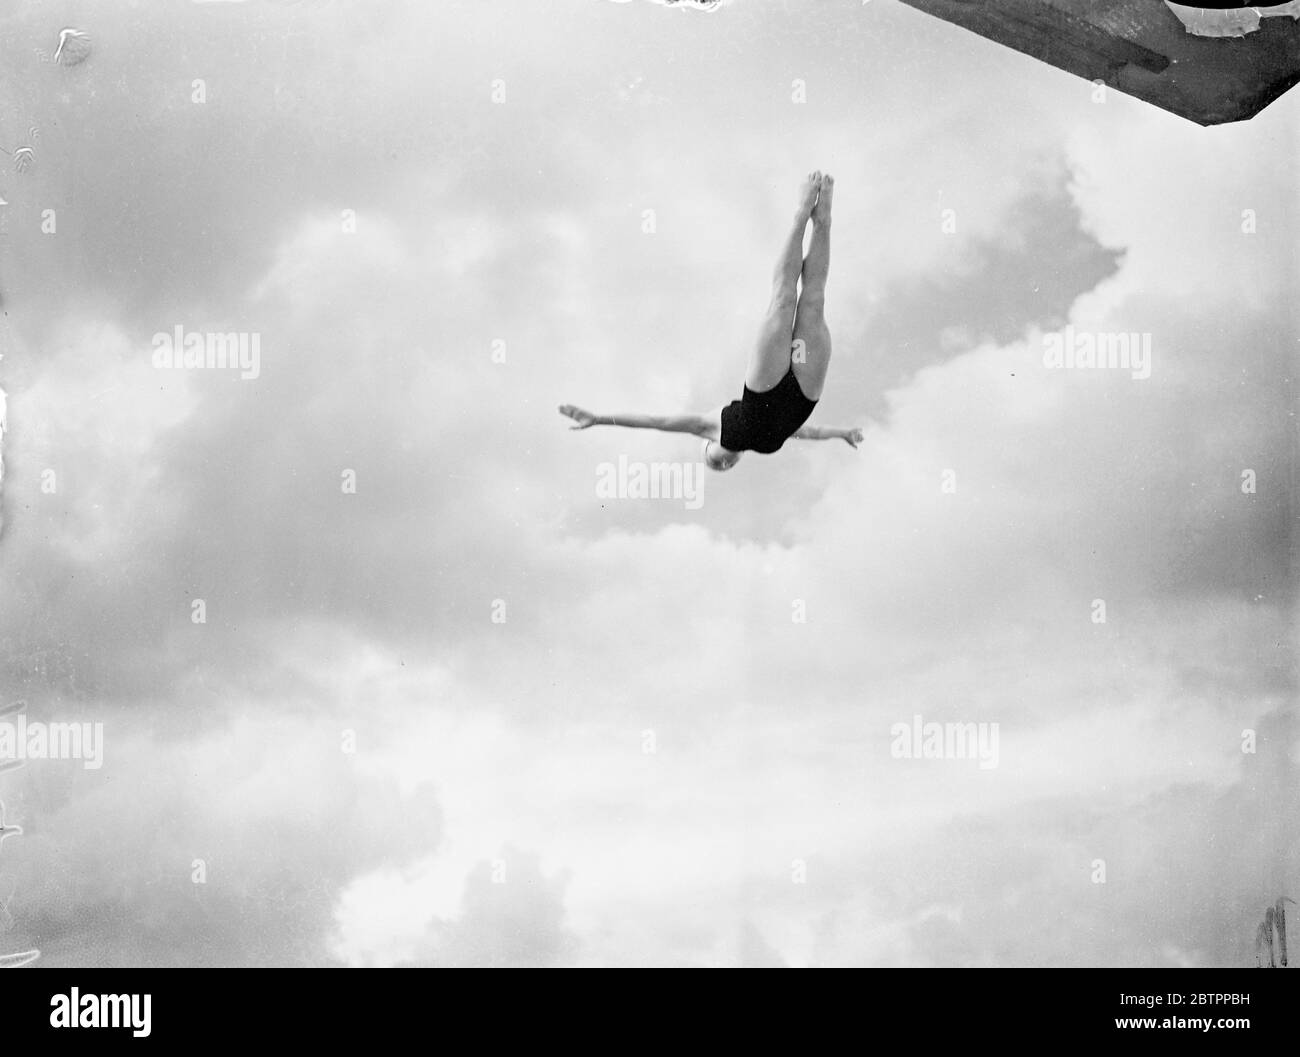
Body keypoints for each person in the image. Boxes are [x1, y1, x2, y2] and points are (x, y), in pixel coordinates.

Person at [559, 172, 862, 471]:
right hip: (802, 396)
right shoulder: (763, 444)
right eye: (727, 466)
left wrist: (598, 418)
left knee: (784, 301)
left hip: (765, 387)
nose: (724, 464)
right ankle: (823, 218)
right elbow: (814, 433)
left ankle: (801, 214)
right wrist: (843, 433)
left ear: (708, 444)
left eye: (715, 462)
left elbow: (656, 422)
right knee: (813, 301)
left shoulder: (707, 425)